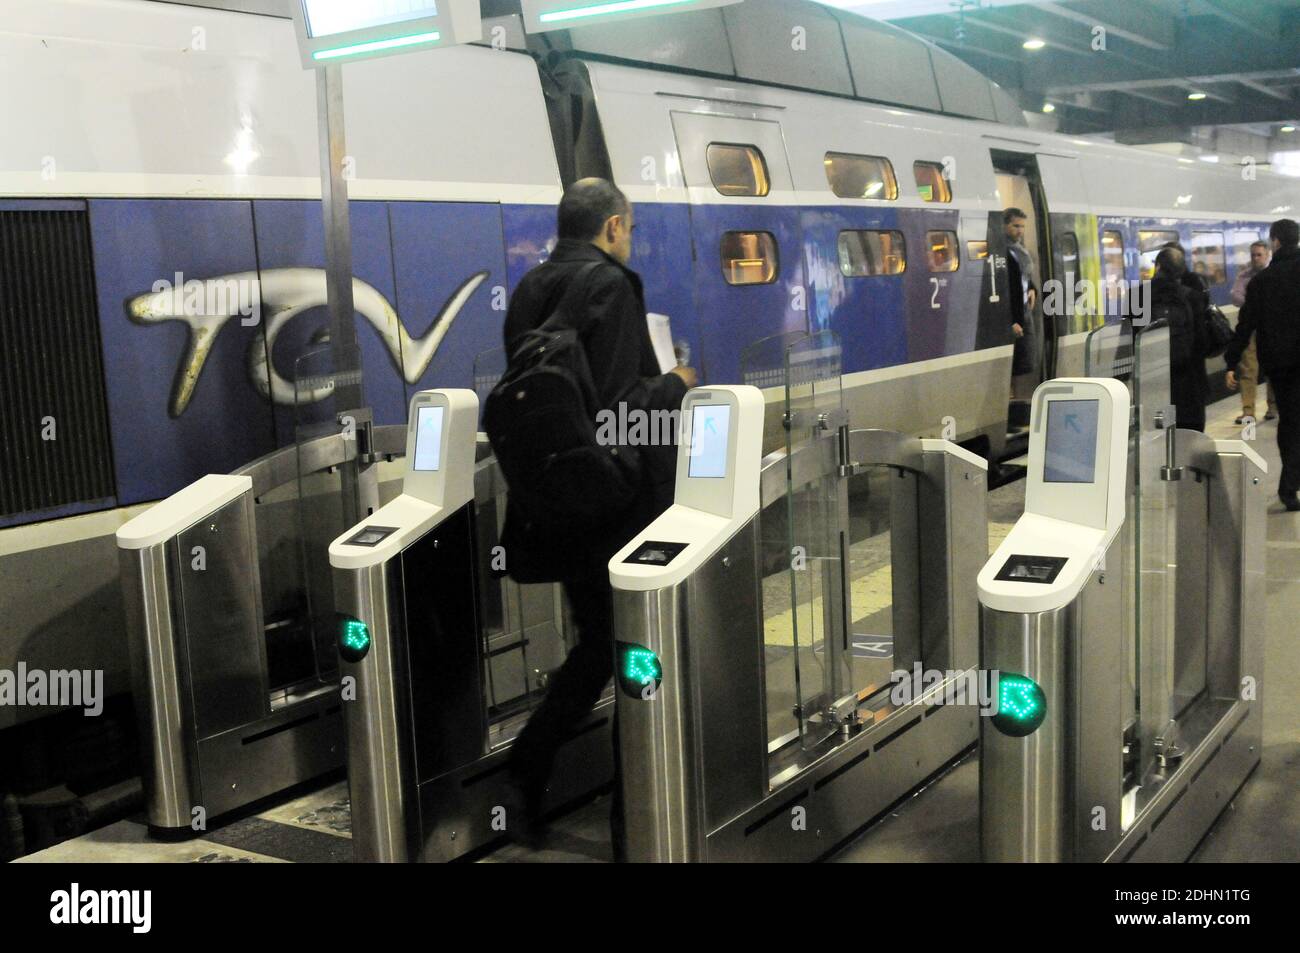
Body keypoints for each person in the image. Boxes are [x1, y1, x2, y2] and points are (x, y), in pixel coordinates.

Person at [501, 178, 697, 852]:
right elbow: (620, 408)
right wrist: (675, 383)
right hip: (617, 503)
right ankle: (631, 827)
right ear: (614, 227)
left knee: (596, 645)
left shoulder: (529, 289)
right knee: (638, 649)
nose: (630, 239)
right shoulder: (614, 285)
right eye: (631, 228)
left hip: (554, 501)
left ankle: (526, 771)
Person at [1226, 219, 1300, 510]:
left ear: (1276, 242)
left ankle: (1289, 487)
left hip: (1282, 364)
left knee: (1291, 422)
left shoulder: (1261, 282)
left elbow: (1246, 326)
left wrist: (1231, 361)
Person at [1151, 246, 1210, 432]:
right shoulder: (1193, 297)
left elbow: (1128, 344)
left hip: (1153, 385)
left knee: (1159, 442)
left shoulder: (1137, 297)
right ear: (1181, 270)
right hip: (1189, 387)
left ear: (1158, 266)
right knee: (1190, 439)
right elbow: (1202, 343)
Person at [1230, 241, 1275, 424]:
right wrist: (1257, 304)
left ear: (1267, 255)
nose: (1256, 258)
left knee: (1272, 367)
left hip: (1271, 327)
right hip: (1250, 328)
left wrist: (1252, 302)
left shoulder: (1274, 273)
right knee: (1248, 368)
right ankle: (1248, 411)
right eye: (1253, 255)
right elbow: (1235, 296)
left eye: (1259, 255)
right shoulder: (1244, 275)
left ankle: (1273, 406)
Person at [1003, 208, 1039, 391]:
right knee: (1014, 361)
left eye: (1022, 227)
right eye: (1016, 226)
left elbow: (1023, 278)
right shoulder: (1002, 251)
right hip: (1014, 316)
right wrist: (1012, 320)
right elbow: (1007, 287)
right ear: (1004, 225)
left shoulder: (1019, 249)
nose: (1020, 231)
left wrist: (1032, 289)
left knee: (1024, 359)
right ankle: (1009, 400)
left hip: (1024, 311)